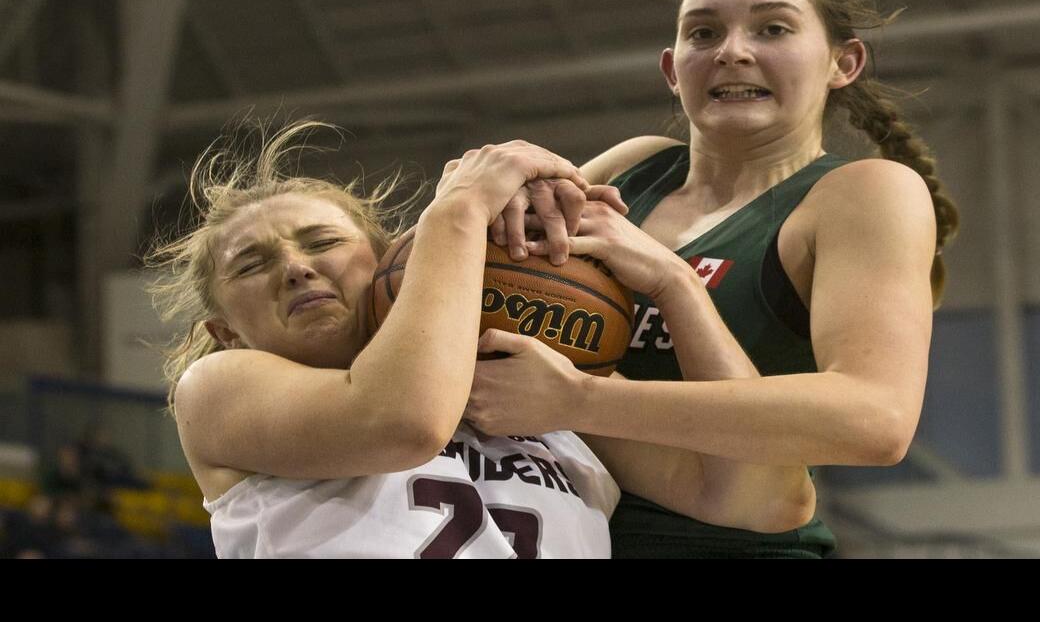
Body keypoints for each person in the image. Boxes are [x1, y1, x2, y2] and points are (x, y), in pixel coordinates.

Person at [147, 120, 815, 558]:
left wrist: (675, 287)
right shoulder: (217, 388)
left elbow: (767, 496)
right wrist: (461, 207)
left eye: (323, 243)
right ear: (223, 330)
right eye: (253, 264)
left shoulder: (541, 379)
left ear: (384, 261)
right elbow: (404, 423)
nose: (295, 267)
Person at [464, 0, 960, 558]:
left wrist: (580, 399)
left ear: (842, 63)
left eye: (773, 29)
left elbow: (876, 419)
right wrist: (480, 197)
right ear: (672, 69)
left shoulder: (865, 193)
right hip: (565, 534)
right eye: (703, 33)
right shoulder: (633, 167)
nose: (732, 51)